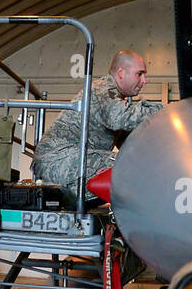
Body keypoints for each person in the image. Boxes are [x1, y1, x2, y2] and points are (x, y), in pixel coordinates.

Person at [32, 50, 164, 207]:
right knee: (130, 166)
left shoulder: (115, 100)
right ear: (121, 73)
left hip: (67, 162)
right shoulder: (102, 90)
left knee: (139, 164)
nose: (144, 80)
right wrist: (169, 110)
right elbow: (122, 118)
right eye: (139, 74)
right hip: (58, 161)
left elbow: (130, 143)